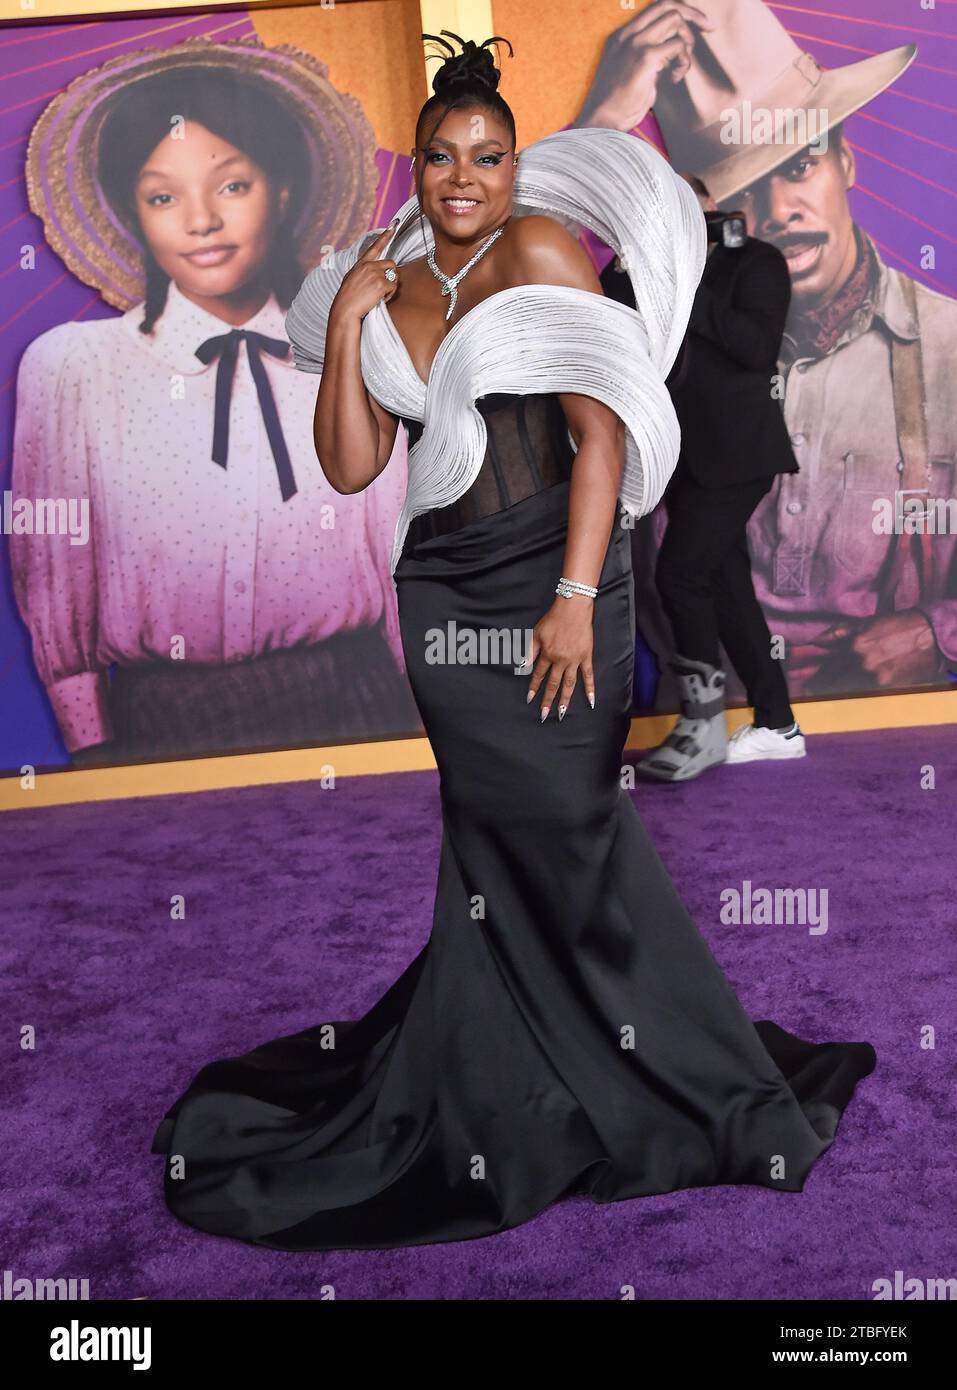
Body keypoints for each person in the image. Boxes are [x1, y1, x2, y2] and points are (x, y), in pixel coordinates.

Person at [149, 33, 876, 1252]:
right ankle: (502, 1081)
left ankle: (664, 1068)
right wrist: (348, 332)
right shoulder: (381, 269)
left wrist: (576, 594)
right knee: (491, 848)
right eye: (443, 156)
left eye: (490, 155)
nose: (466, 176)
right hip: (441, 592)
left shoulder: (542, 248)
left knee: (578, 831)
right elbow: (349, 465)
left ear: (514, 163)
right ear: (418, 167)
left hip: (559, 583)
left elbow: (601, 440)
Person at [11, 37, 418, 766]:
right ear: (132, 213)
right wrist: (89, 742)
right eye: (161, 196)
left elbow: (400, 553)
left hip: (359, 701)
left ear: (283, 190)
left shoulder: (354, 345)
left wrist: (429, 724)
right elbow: (53, 565)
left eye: (232, 185)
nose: (199, 220)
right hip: (162, 720)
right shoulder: (74, 368)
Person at [576, 0, 957, 705]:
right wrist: (599, 124)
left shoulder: (947, 349)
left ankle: (738, 722)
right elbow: (546, 310)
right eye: (740, 185)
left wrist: (938, 631)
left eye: (800, 164)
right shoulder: (668, 302)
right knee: (702, 579)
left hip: (888, 725)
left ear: (845, 160)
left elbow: (750, 349)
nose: (778, 209)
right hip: (697, 656)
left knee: (687, 576)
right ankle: (764, 720)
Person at [603, 175, 804, 779]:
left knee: (682, 575)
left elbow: (755, 349)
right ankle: (778, 724)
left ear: (715, 210)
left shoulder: (757, 262)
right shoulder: (650, 268)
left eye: (694, 212)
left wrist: (686, 279)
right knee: (728, 587)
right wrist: (628, 264)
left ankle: (703, 724)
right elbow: (612, 318)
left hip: (740, 454)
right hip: (683, 454)